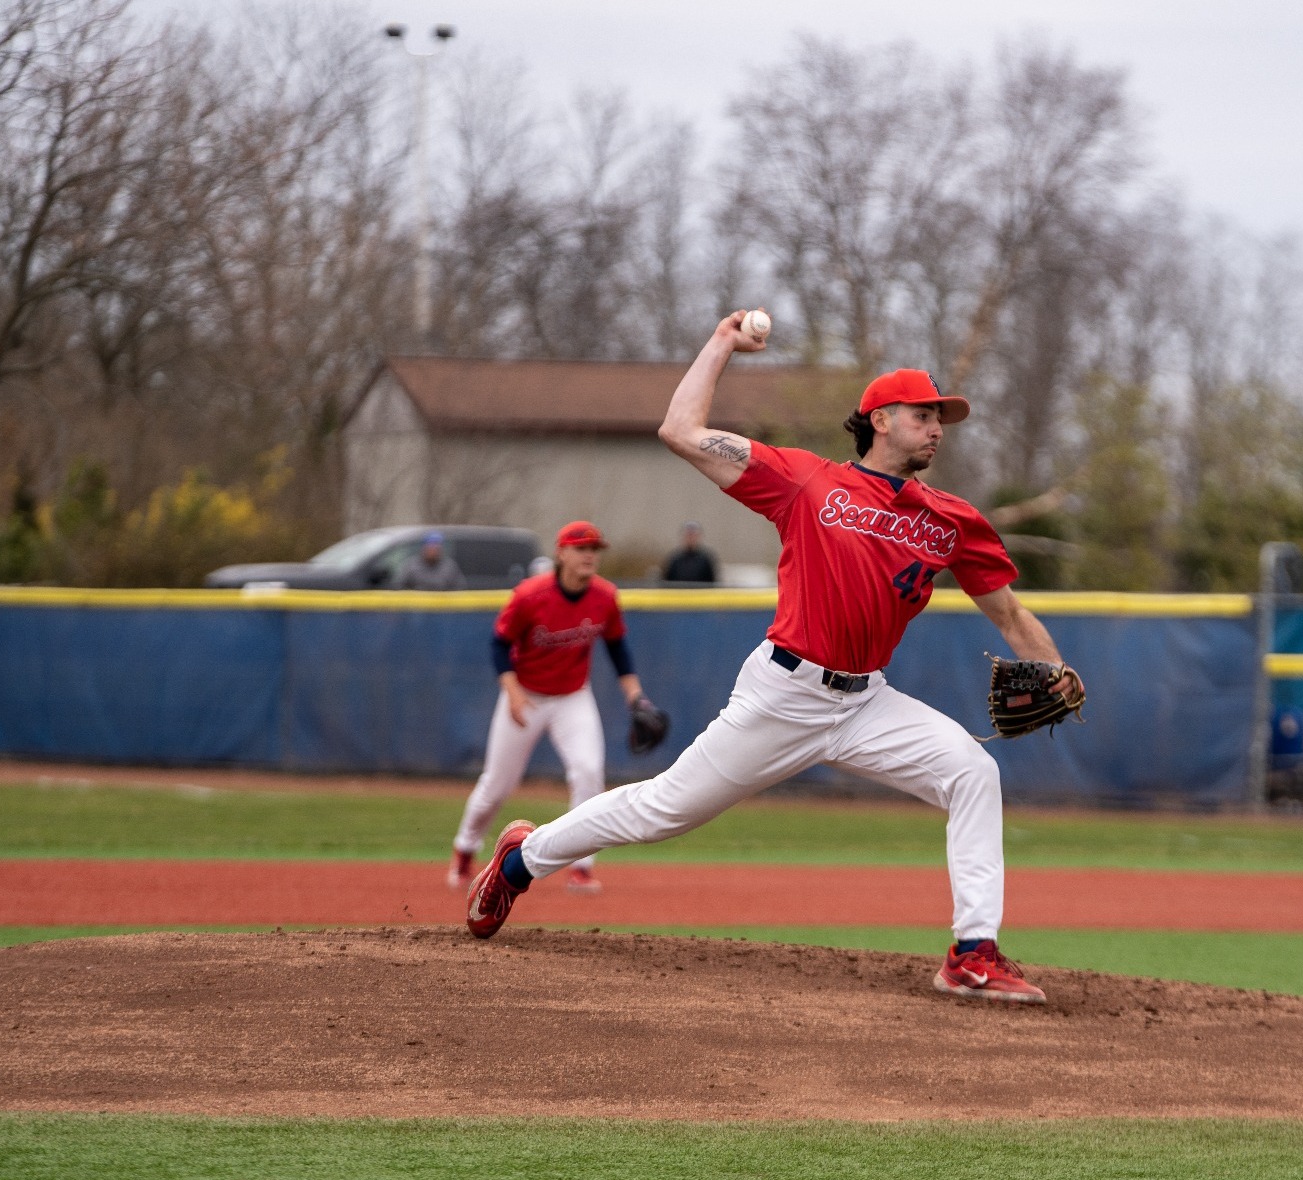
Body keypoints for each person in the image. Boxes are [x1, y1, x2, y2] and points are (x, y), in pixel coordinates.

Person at [467, 310, 1084, 1004]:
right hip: (785, 693)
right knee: (663, 811)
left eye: (940, 418)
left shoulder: (951, 519)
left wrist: (1056, 669)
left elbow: (1009, 614)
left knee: (972, 772)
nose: (937, 428)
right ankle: (521, 861)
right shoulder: (806, 481)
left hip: (866, 703)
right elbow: (680, 432)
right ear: (880, 420)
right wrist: (722, 344)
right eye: (923, 414)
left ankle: (971, 954)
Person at [446, 520, 653, 896]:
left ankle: (581, 868)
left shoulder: (605, 596)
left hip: (573, 697)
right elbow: (499, 644)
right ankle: (464, 851)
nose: (590, 555)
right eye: (581, 548)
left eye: (595, 549)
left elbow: (617, 648)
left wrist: (636, 696)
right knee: (497, 785)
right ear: (561, 553)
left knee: (588, 772)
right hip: (526, 694)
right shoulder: (530, 595)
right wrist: (511, 691)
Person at [393, 531, 466, 590]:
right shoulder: (411, 566)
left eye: (436, 548)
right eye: (430, 548)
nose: (433, 551)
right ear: (424, 548)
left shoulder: (449, 567)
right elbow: (398, 586)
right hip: (417, 603)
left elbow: (460, 587)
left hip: (442, 603)